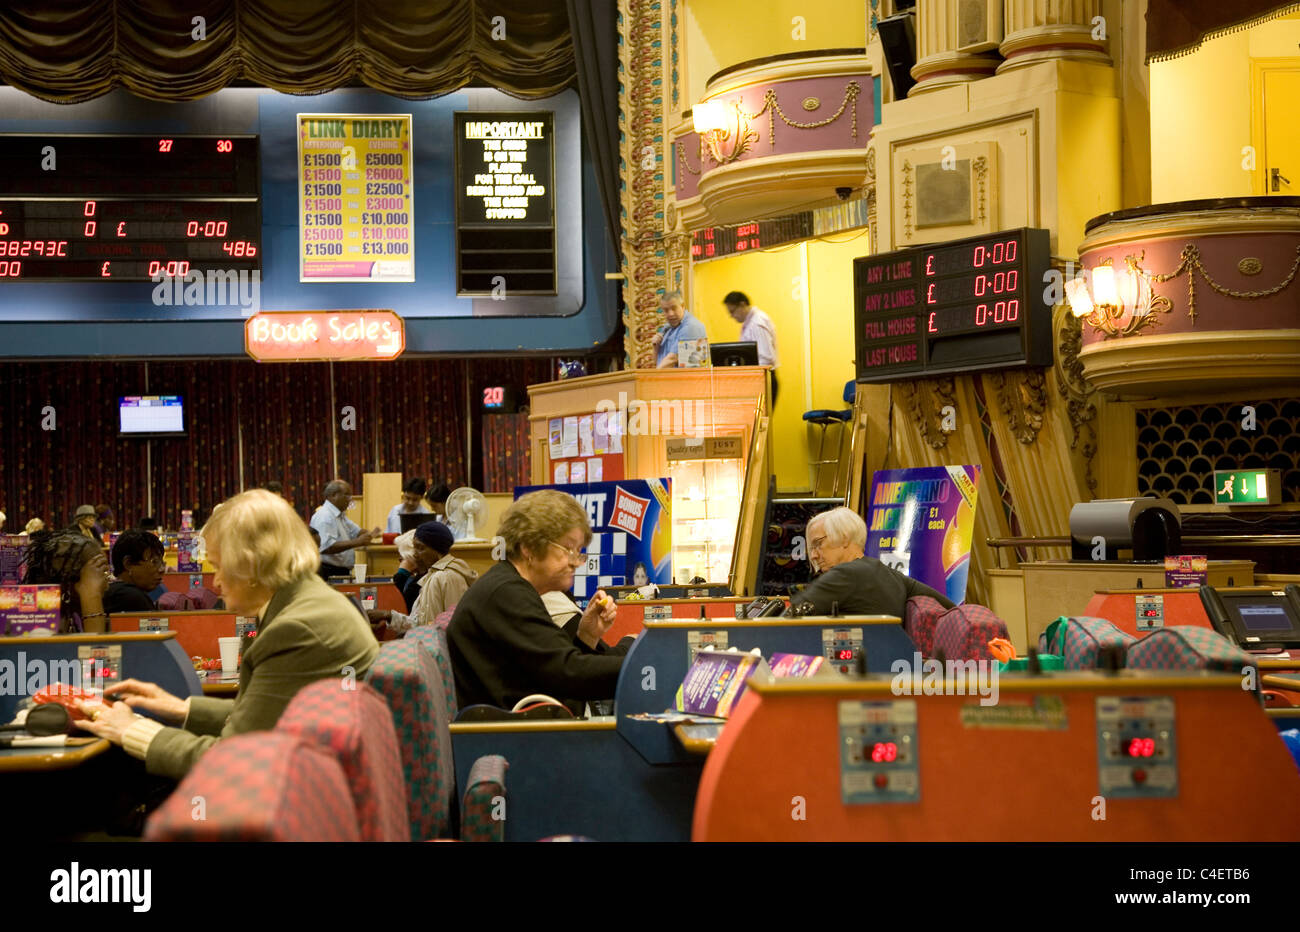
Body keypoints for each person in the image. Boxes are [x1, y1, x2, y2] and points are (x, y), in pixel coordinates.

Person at [75, 489, 380, 781]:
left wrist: (131, 730)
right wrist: (182, 708)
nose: (216, 581)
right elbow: (267, 715)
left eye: (220, 566)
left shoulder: (296, 629)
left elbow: (237, 760)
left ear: (251, 564)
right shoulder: (308, 603)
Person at [447, 489, 627, 713]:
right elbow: (569, 673)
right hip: (510, 739)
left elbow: (555, 671)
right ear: (529, 547)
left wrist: (587, 637)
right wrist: (645, 663)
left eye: (579, 552)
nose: (576, 562)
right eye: (568, 549)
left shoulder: (510, 586)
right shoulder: (506, 593)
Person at [788, 507, 955, 618]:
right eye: (811, 548)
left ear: (844, 538)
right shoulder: (891, 574)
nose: (814, 556)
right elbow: (951, 608)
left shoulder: (845, 574)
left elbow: (788, 618)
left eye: (818, 544)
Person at [371, 521, 477, 635]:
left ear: (437, 550)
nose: (415, 554)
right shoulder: (432, 575)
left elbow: (454, 628)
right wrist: (388, 616)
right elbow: (422, 624)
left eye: (420, 548)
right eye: (414, 548)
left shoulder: (447, 577)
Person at [21, 529, 112, 633]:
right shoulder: (41, 624)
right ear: (69, 585)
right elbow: (93, 648)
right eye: (101, 573)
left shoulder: (74, 615)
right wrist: (91, 596)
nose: (108, 583)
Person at [309, 480, 380, 579]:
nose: (350, 500)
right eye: (346, 496)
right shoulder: (324, 516)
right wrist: (358, 542)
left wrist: (370, 534)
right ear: (334, 495)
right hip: (328, 571)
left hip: (340, 571)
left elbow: (357, 532)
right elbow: (327, 547)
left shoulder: (340, 515)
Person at [723, 290, 779, 405]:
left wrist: (753, 381)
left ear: (742, 305)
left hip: (763, 380)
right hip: (759, 379)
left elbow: (766, 358)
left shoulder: (757, 323)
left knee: (761, 421)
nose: (732, 316)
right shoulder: (749, 323)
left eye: (732, 311)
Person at [103, 529, 166, 614]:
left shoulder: (113, 590)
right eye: (154, 562)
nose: (162, 570)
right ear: (128, 564)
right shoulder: (130, 597)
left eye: (162, 563)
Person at [652, 290, 708, 369]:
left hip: (687, 380)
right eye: (666, 310)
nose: (670, 314)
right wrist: (656, 348)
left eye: (674, 308)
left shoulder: (691, 326)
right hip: (669, 379)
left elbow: (672, 359)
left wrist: (653, 378)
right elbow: (657, 362)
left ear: (682, 306)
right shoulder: (667, 328)